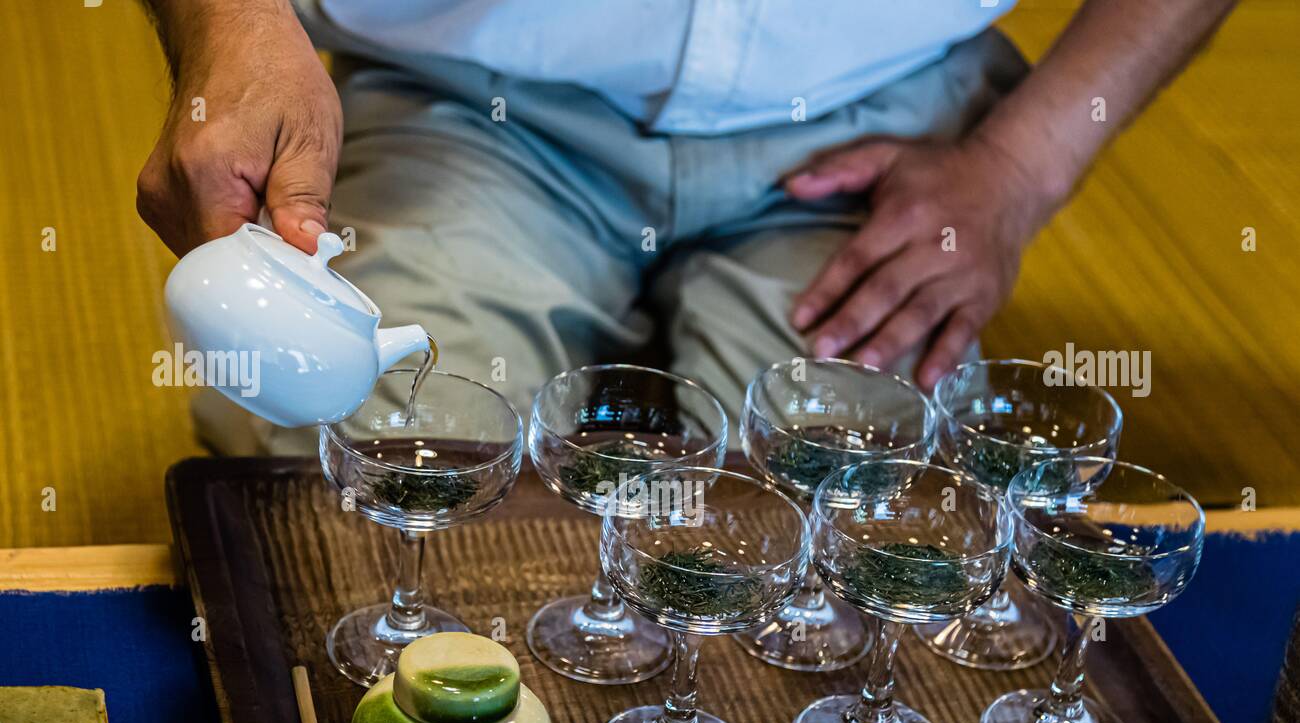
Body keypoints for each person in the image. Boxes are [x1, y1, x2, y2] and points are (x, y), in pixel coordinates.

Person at [137, 0, 1236, 455]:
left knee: (861, 524)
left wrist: (1018, 165)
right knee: (366, 470)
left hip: (887, 116)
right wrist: (230, 25)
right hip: (477, 94)